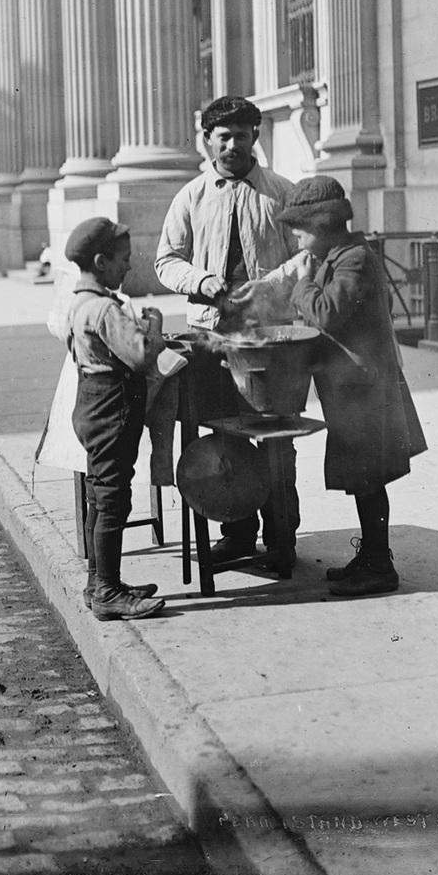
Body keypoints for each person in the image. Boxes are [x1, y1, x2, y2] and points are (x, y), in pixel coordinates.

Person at [236, 176, 428, 596]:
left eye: (299, 228)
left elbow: (325, 313)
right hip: (350, 388)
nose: (295, 236)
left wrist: (303, 282)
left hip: (364, 389)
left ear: (322, 224)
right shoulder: (337, 256)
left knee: (370, 478)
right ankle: (372, 556)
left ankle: (379, 566)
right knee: (362, 477)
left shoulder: (353, 259)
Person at [155, 95, 300, 569]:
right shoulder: (191, 197)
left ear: (255, 138)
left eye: (242, 135)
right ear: (207, 141)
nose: (233, 145)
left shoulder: (281, 193)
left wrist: (271, 284)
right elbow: (166, 260)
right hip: (211, 340)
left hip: (268, 338)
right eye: (224, 137)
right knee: (223, 436)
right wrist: (200, 281)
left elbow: (306, 256)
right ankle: (237, 531)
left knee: (277, 437)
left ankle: (281, 539)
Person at [61, 216, 167, 621]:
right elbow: (141, 355)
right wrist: (153, 324)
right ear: (102, 261)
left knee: (98, 495)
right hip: (113, 406)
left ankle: (98, 582)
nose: (128, 266)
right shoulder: (105, 308)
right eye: (123, 259)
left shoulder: (79, 303)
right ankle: (107, 591)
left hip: (92, 404)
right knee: (113, 499)